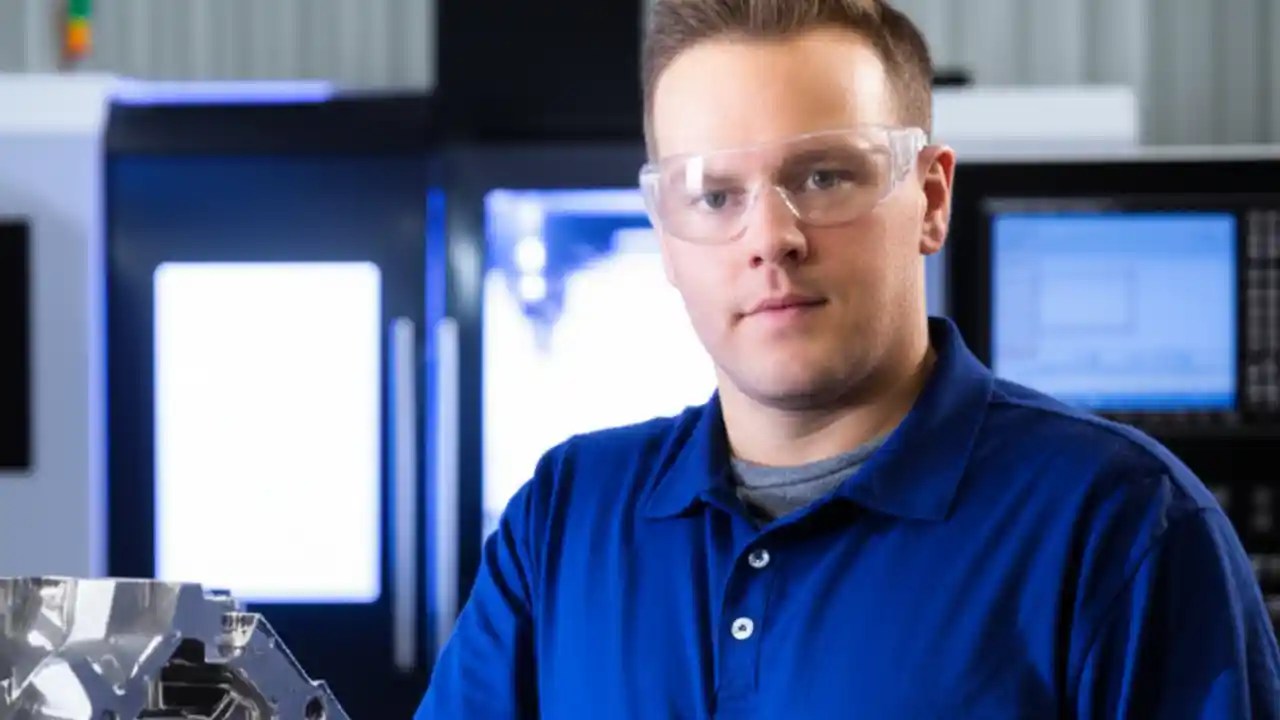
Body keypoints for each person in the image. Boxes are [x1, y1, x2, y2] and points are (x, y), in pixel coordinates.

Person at [416, 0, 1280, 716]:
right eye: (715, 194)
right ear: (667, 239)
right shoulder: (565, 522)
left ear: (931, 198)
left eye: (825, 176)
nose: (772, 239)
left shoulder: (1120, 527)